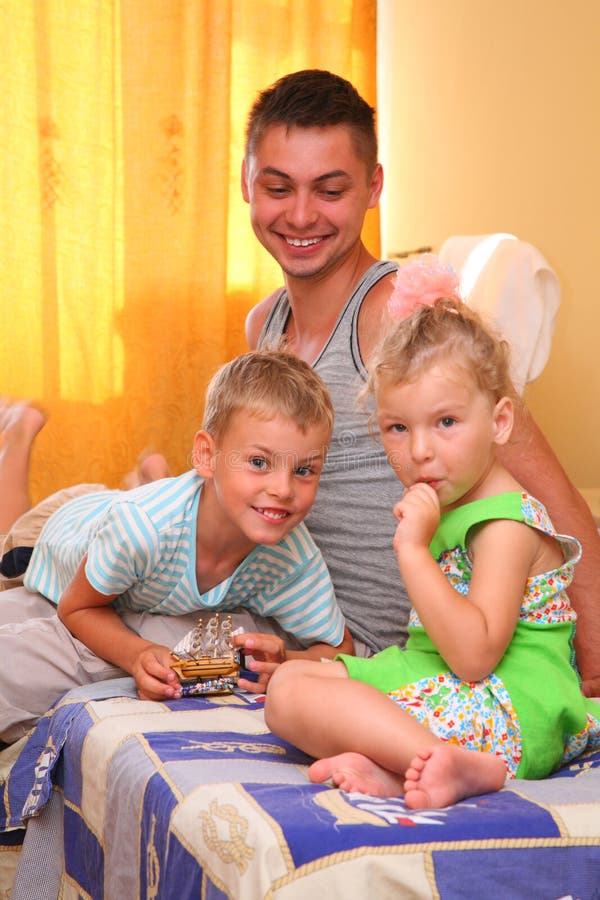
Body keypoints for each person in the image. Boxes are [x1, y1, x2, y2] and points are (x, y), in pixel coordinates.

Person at [241, 68, 600, 697]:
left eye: (329, 190)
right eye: (278, 187)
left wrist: (594, 641)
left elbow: (537, 484)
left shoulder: (392, 313)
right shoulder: (262, 326)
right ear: (248, 183)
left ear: (373, 186)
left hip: (420, 650)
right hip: (320, 640)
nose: (300, 214)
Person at [264, 257, 600, 810]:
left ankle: (452, 764)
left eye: (445, 422)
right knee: (291, 690)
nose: (419, 451)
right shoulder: (455, 500)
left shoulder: (503, 521)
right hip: (451, 688)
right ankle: (405, 770)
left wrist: (413, 551)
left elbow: (473, 657)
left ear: (500, 422)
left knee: (307, 699)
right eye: (398, 427)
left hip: (507, 711)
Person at [0, 350, 352, 744]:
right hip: (67, 533)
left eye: (303, 470)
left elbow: (339, 650)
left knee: (160, 532)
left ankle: (155, 478)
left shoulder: (292, 556)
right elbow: (77, 606)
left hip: (161, 530)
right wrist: (137, 654)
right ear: (206, 454)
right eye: (258, 462)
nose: (284, 490)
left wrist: (287, 659)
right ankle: (18, 434)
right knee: (10, 546)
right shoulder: (138, 528)